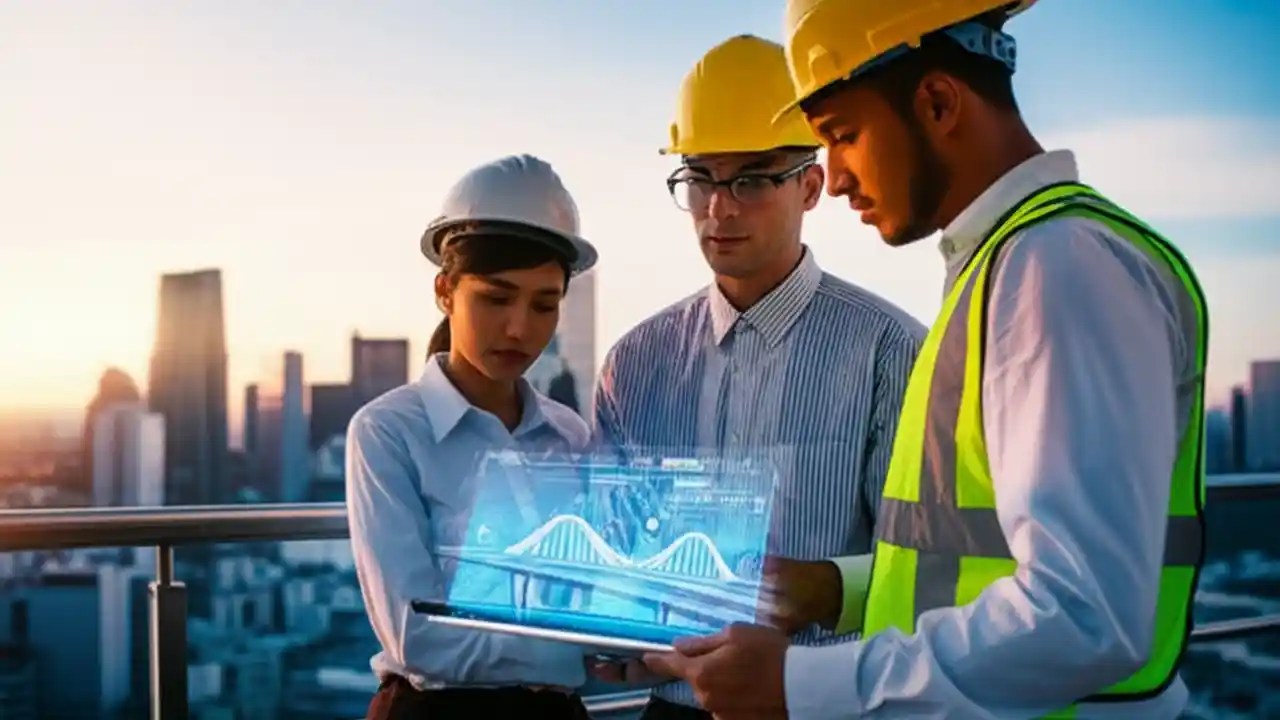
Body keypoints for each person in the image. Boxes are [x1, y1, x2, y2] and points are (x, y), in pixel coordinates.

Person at [642, 2, 1210, 719]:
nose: (835, 178)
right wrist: (836, 591)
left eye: (843, 136)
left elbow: (1084, 614)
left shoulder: (1057, 269)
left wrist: (800, 685)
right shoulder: (1006, 268)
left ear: (938, 103)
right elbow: (974, 557)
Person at [588, 34, 926, 719]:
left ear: (811, 186)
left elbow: (928, 566)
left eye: (751, 179)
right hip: (670, 705)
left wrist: (826, 586)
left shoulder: (889, 350)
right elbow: (607, 551)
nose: (720, 208)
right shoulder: (634, 363)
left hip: (818, 705)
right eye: (701, 179)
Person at [347, 154, 603, 719]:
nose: (520, 328)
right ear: (445, 290)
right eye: (495, 297)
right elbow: (416, 637)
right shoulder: (390, 432)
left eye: (545, 305)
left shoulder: (568, 433)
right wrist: (566, 648)